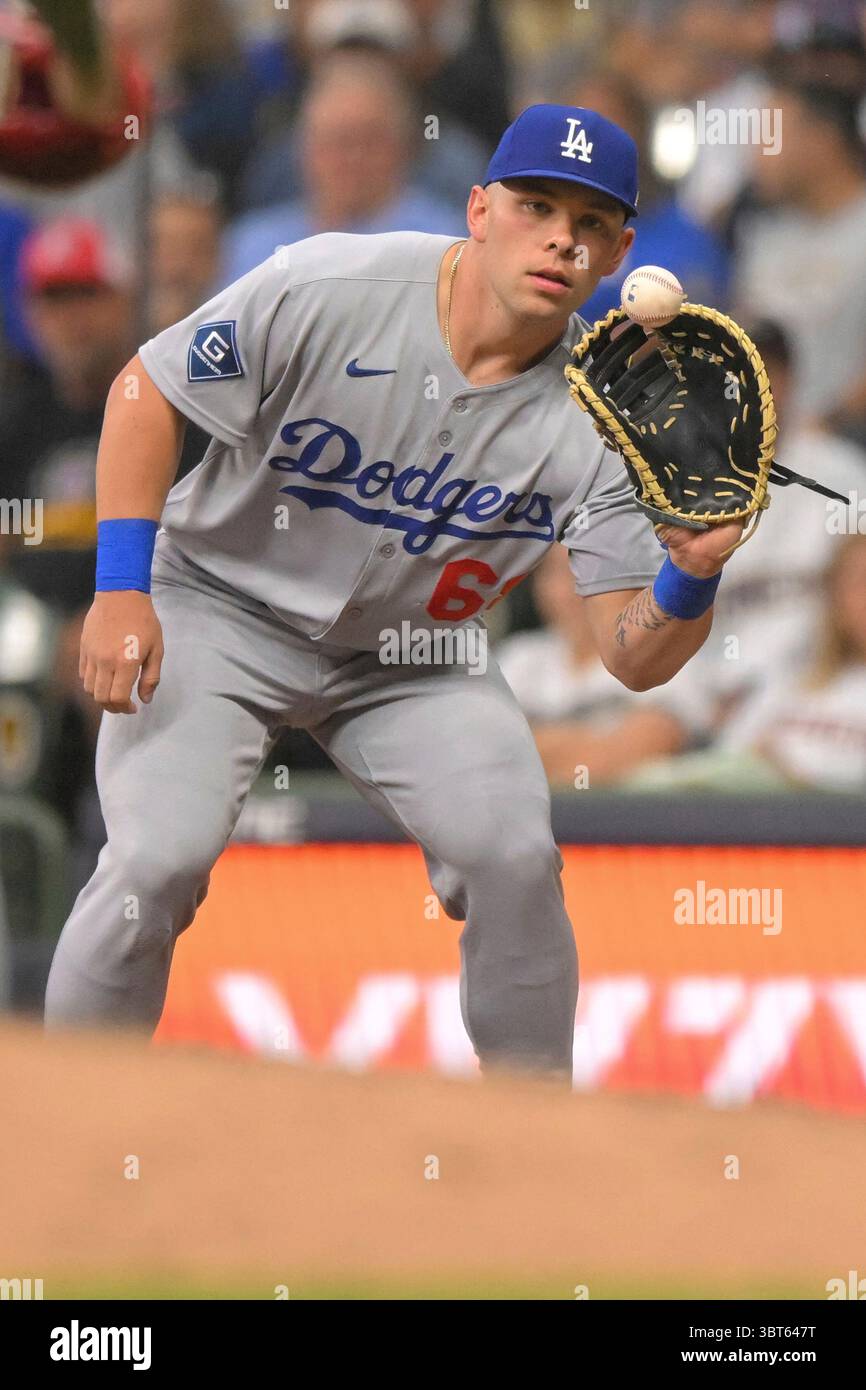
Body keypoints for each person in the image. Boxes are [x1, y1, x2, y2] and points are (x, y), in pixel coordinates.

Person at [43, 104, 747, 1083]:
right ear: (477, 208)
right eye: (535, 206)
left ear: (619, 249)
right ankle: (66, 1121)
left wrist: (689, 572)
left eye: (588, 224)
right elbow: (144, 391)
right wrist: (121, 587)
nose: (558, 239)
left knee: (512, 858)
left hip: (415, 660)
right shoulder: (331, 282)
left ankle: (540, 1142)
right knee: (152, 861)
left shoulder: (608, 418)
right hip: (219, 603)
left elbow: (629, 656)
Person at [222, 48, 463, 283]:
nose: (354, 158)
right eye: (340, 140)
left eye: (371, 140)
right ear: (306, 148)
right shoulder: (251, 247)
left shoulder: (444, 242)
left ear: (404, 147)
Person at [495, 544, 695, 786]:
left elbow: (629, 755)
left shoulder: (666, 660)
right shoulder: (519, 658)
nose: (570, 591)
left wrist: (536, 745)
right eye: (557, 573)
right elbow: (484, 752)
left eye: (589, 574)